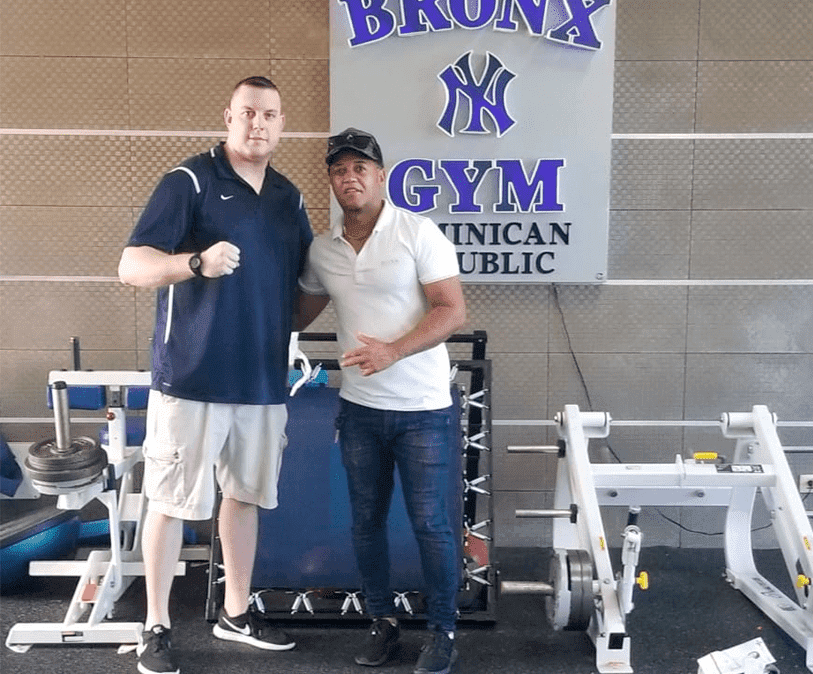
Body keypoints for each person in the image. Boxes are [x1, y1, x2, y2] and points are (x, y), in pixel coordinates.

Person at [118, 76, 312, 674]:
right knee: (172, 502)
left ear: (282, 125)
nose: (258, 123)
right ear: (228, 116)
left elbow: (302, 292)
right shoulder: (190, 181)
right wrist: (194, 262)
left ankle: (235, 613)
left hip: (260, 382)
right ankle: (156, 625)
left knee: (245, 499)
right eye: (248, 112)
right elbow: (131, 265)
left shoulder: (288, 198)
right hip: (192, 377)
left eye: (270, 115)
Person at [296, 128, 467, 674]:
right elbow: (296, 314)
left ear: (381, 175)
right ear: (331, 180)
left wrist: (394, 350)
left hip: (423, 409)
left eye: (361, 168)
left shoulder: (419, 233)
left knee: (431, 524)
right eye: (340, 170)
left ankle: (441, 631)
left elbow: (450, 310)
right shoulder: (323, 251)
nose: (350, 178)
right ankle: (383, 622)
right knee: (366, 522)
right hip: (361, 410)